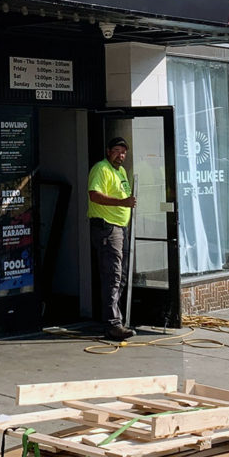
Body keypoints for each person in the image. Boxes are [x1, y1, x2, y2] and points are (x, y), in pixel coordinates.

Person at [87, 136, 137, 342]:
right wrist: (123, 202)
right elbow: (94, 195)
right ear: (108, 151)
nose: (121, 155)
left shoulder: (121, 172)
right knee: (112, 274)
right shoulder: (101, 169)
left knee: (121, 275)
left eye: (124, 152)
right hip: (107, 228)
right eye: (117, 150)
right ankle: (113, 324)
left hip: (121, 228)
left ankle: (115, 320)